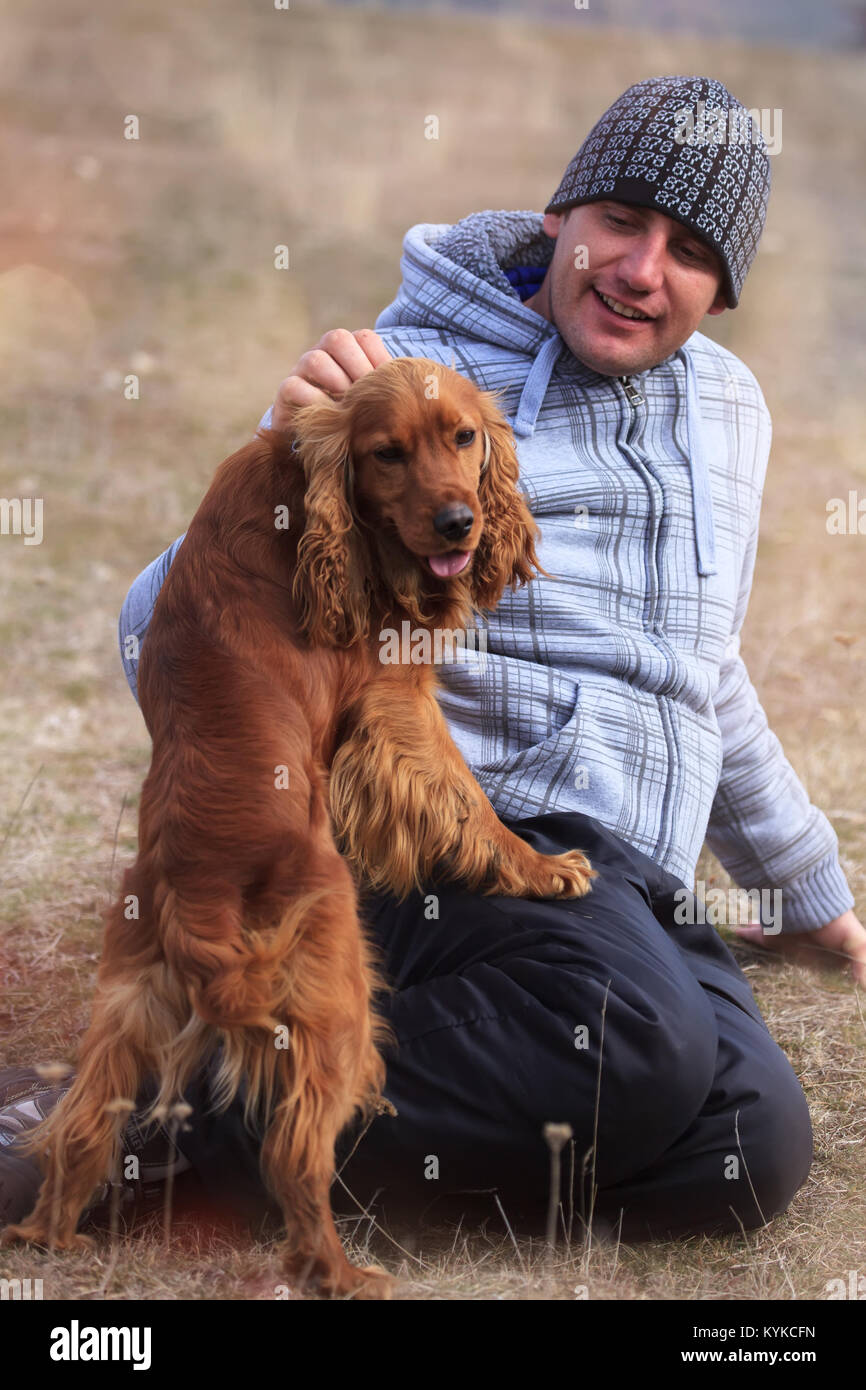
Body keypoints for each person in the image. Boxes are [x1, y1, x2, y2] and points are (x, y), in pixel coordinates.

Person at [2, 75, 861, 1246]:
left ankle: (309, 1119)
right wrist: (277, 459)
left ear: (721, 292)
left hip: (627, 881)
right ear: (560, 216)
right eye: (619, 220)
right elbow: (169, 636)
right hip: (448, 843)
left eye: (690, 250)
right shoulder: (399, 379)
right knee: (636, 1035)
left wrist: (805, 887)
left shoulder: (730, 412)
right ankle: (143, 1113)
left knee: (745, 1147)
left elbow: (699, 668)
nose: (642, 268)